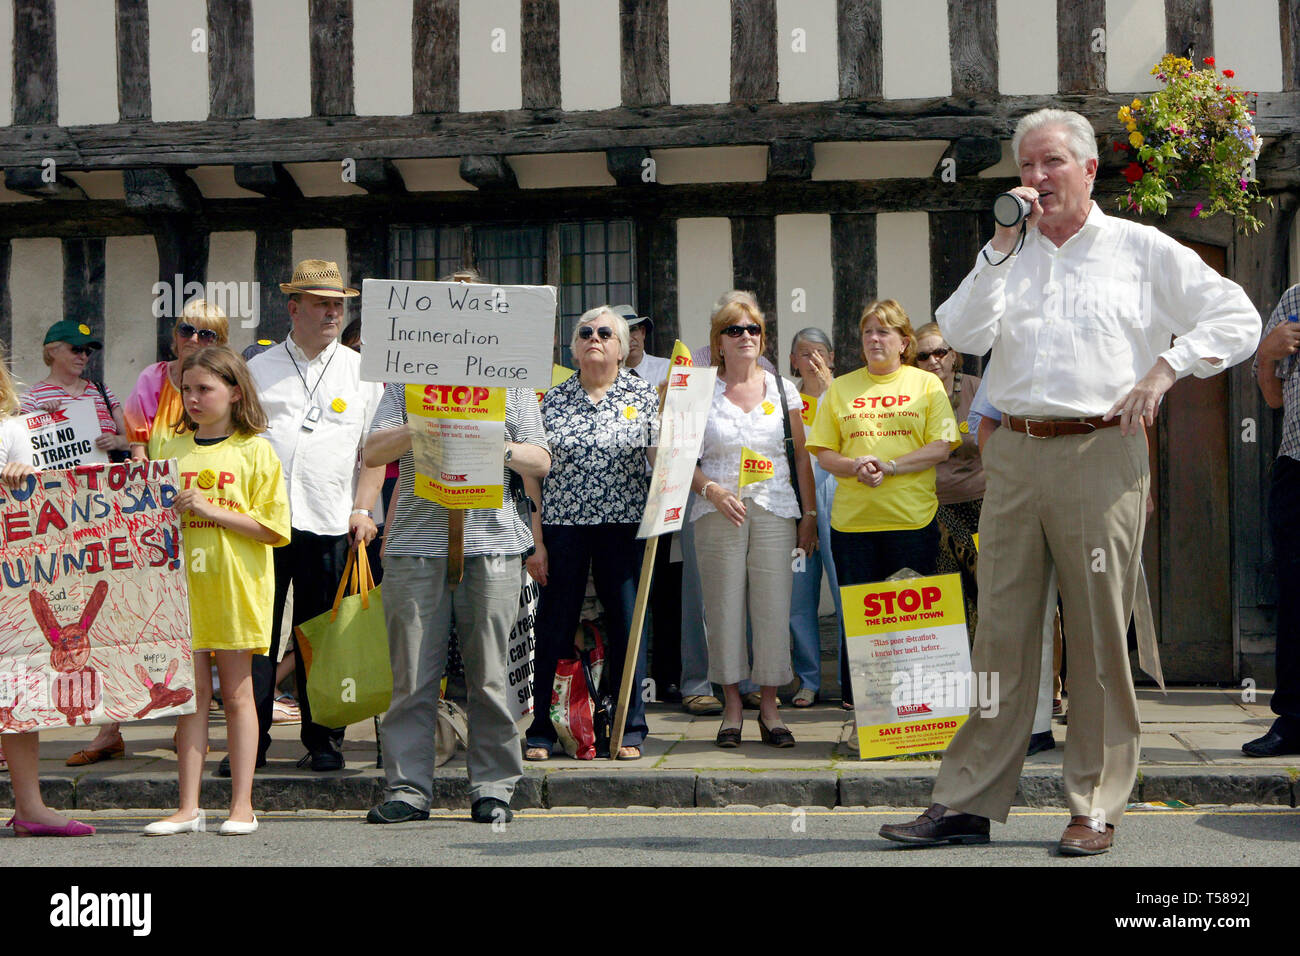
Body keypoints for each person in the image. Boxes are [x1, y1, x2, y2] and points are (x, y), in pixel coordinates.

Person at [880, 107, 1260, 856]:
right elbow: (958, 333)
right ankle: (966, 803)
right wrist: (997, 246)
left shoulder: (1142, 249)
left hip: (1100, 453)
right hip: (1015, 456)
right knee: (1000, 638)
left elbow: (1236, 316)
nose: (1035, 178)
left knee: (1094, 638)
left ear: (1089, 170)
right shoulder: (1008, 254)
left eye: (1051, 162)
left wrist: (1167, 366)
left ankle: (1093, 804)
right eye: (1025, 165)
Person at [362, 328, 551, 824]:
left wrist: (497, 444)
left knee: (489, 676)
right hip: (415, 546)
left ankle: (493, 787)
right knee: (412, 676)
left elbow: (541, 458)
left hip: (492, 544)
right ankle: (407, 789)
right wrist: (422, 424)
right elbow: (373, 450)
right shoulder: (407, 383)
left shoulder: (510, 383)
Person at [243, 260, 384, 774]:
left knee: (323, 637)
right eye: (321, 303)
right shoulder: (257, 371)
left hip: (333, 523)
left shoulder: (363, 371)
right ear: (293, 307)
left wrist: (364, 509)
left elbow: (373, 451)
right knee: (259, 638)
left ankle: (324, 741)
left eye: (338, 304)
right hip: (264, 523)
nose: (331, 312)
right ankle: (250, 743)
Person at [144, 347, 290, 836]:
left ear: (234, 391)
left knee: (237, 693)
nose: (193, 398)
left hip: (235, 586)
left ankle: (242, 805)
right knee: (190, 698)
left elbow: (273, 528)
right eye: (186, 389)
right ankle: (188, 807)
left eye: (204, 388)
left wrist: (211, 510)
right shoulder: (170, 447)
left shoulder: (256, 450)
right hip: (181, 587)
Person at [805, 300, 959, 709]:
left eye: (884, 332)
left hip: (912, 523)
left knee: (912, 626)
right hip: (853, 527)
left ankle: (915, 716)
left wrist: (890, 467)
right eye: (868, 332)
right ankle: (868, 717)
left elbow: (941, 446)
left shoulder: (925, 385)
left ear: (903, 342)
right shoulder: (840, 388)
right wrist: (855, 465)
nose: (874, 338)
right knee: (863, 627)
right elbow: (823, 453)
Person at [523, 306, 659, 761]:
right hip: (563, 527)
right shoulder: (554, 400)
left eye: (605, 333)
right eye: (585, 333)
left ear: (622, 348)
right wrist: (536, 541)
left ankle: (628, 727)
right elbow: (532, 477)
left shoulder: (644, 396)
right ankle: (544, 726)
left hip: (623, 526)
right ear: (574, 346)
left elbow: (661, 461)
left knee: (627, 624)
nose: (594, 338)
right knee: (554, 623)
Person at [690, 292, 816, 748]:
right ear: (718, 341)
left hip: (776, 508)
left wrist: (809, 515)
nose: (745, 336)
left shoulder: (785, 389)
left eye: (753, 329)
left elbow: (800, 455)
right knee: (722, 608)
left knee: (773, 607)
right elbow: (680, 457)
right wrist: (712, 489)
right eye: (734, 329)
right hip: (717, 509)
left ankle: (769, 706)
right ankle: (731, 706)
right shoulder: (699, 389)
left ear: (763, 338)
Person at [0, 344, 95, 836]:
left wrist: (27, 476)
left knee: (13, 688)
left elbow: (50, 504)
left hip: (7, 584)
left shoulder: (14, 429)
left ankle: (29, 807)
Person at [1246, 283, 1300, 756]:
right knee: (1296, 595)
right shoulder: (1296, 299)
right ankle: (1294, 720)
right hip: (1297, 468)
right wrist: (1268, 353)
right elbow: (1272, 399)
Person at [911, 322, 984, 636]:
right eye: (923, 356)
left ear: (954, 355)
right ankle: (957, 674)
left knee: (985, 587)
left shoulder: (978, 389)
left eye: (940, 352)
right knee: (946, 592)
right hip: (933, 510)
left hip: (981, 505)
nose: (933, 361)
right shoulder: (909, 396)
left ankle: (989, 672)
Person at [787, 327, 845, 707]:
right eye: (804, 353)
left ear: (832, 358)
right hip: (797, 504)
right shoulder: (784, 398)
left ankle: (849, 681)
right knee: (798, 595)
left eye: (820, 352)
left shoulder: (846, 393)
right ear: (792, 360)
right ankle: (808, 679)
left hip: (840, 499)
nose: (813, 360)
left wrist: (827, 392)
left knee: (845, 591)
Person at [20, 319, 128, 460]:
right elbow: (20, 449)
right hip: (59, 481)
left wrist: (117, 441)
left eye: (87, 351)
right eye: (76, 349)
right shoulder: (32, 397)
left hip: (105, 480)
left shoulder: (101, 391)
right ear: (53, 351)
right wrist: (40, 418)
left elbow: (135, 440)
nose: (83, 357)